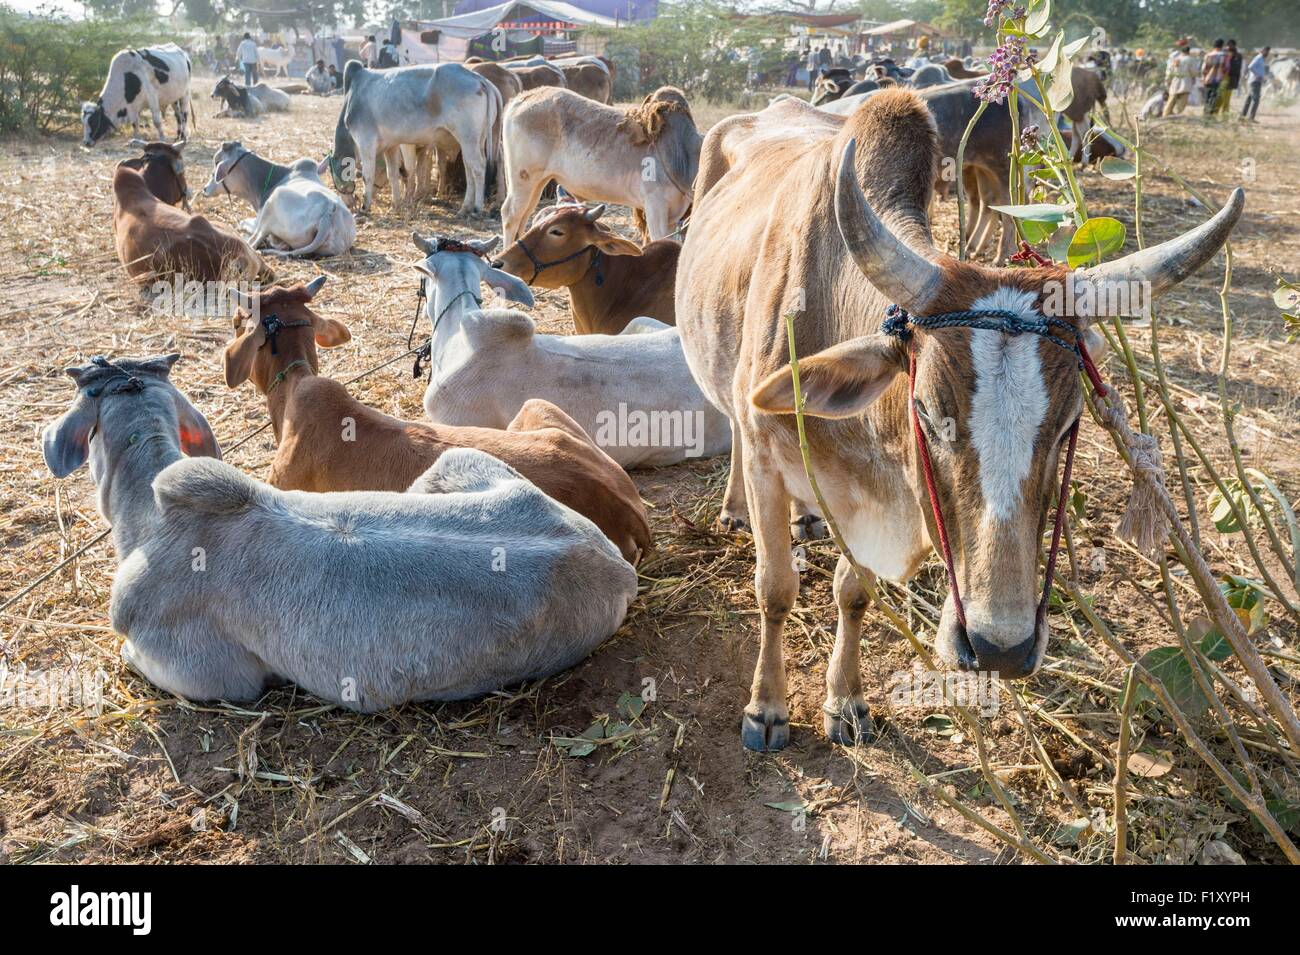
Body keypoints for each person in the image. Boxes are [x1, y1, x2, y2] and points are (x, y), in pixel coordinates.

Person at [1163, 41, 1196, 116]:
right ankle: (1178, 114)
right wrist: (1193, 77)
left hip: (1175, 80)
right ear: (1188, 51)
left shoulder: (1175, 59)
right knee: (1183, 100)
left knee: (1171, 99)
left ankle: (1166, 113)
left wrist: (1167, 80)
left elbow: (1169, 70)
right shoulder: (1190, 59)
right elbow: (1194, 72)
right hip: (1186, 81)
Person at [1241, 46, 1270, 122]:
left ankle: (1242, 117)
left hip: (1256, 81)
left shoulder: (1262, 59)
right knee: (1256, 100)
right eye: (1266, 51)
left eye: (1268, 51)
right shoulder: (1258, 58)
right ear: (1262, 50)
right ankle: (1251, 118)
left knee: (1249, 99)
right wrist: (1258, 75)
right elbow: (1250, 66)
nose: (1267, 53)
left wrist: (1262, 78)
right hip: (1255, 81)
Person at [1215, 38, 1242, 116]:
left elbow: (1238, 69)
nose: (1229, 46)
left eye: (1231, 45)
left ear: (1234, 46)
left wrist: (1236, 80)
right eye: (1228, 45)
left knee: (1227, 99)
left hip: (1231, 78)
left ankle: (1225, 116)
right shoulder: (1223, 54)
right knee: (1220, 97)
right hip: (1223, 77)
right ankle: (1215, 114)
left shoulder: (1238, 56)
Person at [1201, 38, 1227, 118]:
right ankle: (1210, 114)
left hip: (1208, 79)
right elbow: (1225, 68)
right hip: (1218, 79)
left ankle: (1205, 113)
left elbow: (1204, 69)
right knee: (1214, 96)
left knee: (1207, 96)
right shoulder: (1224, 56)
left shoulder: (1208, 55)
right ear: (1222, 45)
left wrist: (1204, 77)